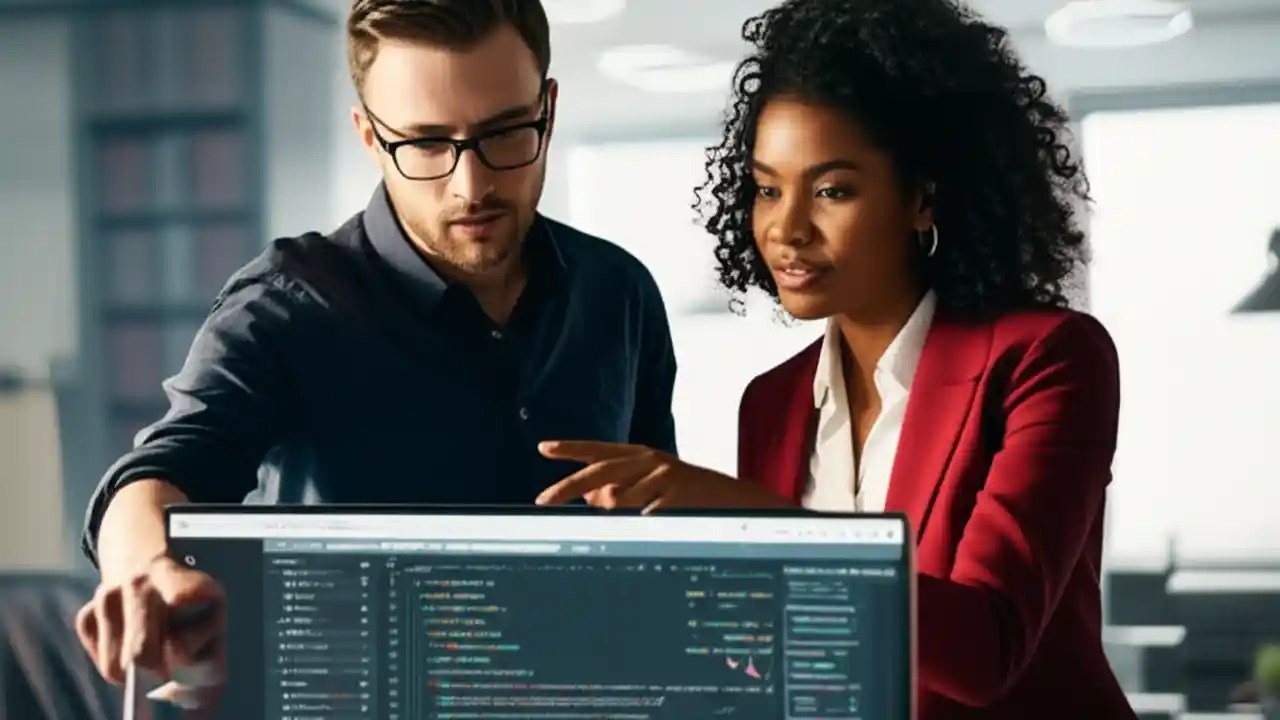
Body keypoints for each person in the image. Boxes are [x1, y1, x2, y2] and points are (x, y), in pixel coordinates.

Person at [536, 0, 1136, 717]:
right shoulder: (773, 402)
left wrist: (755, 519)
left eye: (832, 191)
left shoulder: (1048, 359)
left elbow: (985, 649)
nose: (786, 228)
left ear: (922, 198)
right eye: (767, 189)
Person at [74, 0, 677, 703]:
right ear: (369, 136)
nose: (472, 186)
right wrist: (144, 566)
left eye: (506, 132)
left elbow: (657, 524)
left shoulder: (618, 292)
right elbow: (161, 468)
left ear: (548, 109)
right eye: (425, 144)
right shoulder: (287, 305)